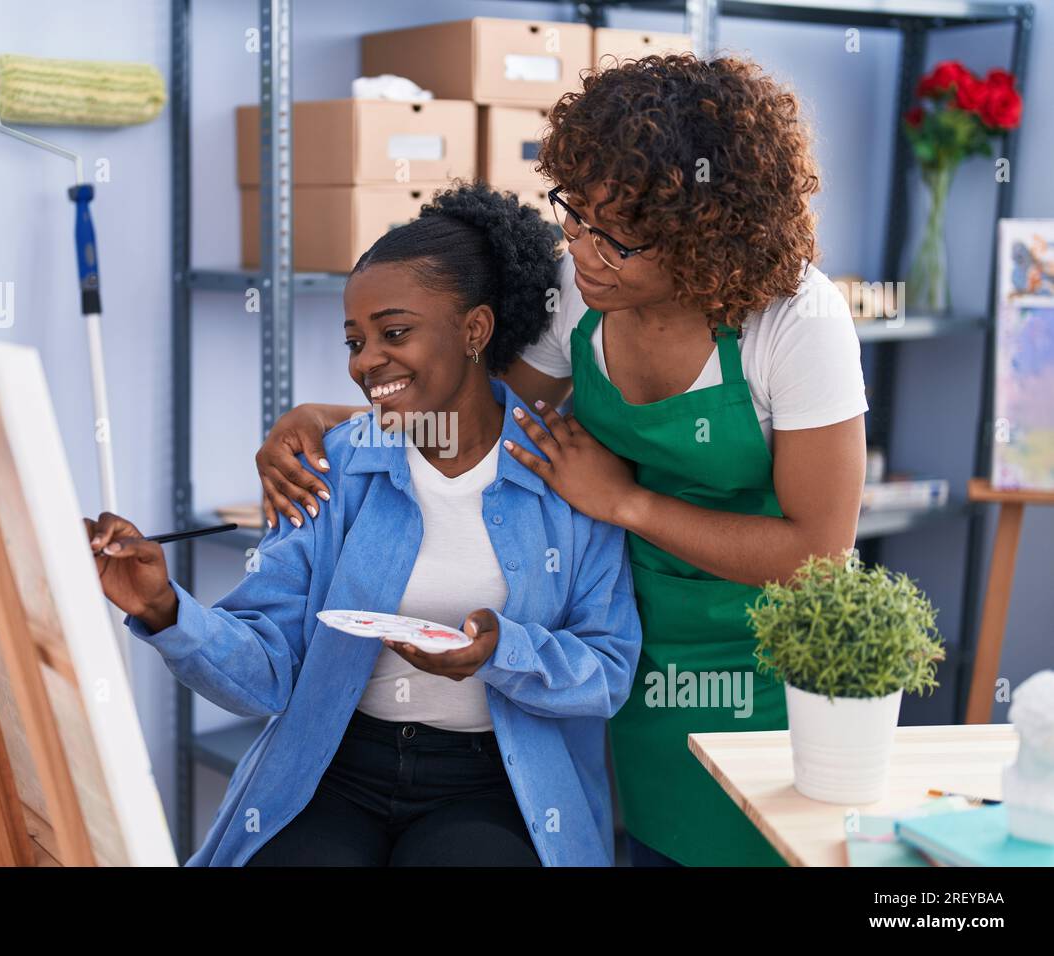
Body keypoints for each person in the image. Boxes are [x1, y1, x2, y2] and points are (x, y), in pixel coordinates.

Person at [253, 55, 868, 866]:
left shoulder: (794, 322)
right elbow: (482, 418)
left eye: (616, 236)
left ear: (705, 233)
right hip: (636, 631)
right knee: (654, 844)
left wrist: (627, 504)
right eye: (575, 214)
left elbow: (817, 554)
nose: (582, 248)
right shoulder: (577, 292)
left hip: (766, 648)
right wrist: (326, 421)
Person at [87, 182, 642, 866]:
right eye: (355, 340)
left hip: (496, 781)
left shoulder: (566, 473)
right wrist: (165, 609)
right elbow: (265, 671)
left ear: (475, 330)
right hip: (336, 768)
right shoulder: (335, 467)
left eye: (394, 332)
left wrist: (503, 651)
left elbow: (608, 672)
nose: (365, 361)